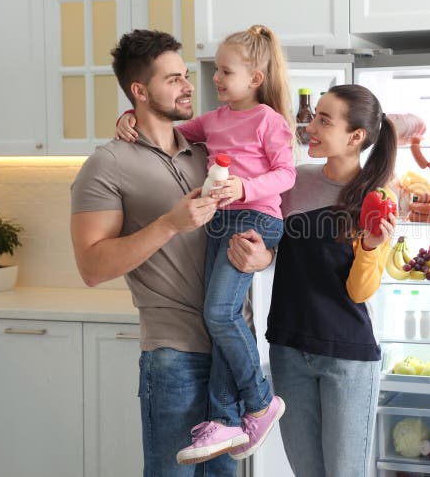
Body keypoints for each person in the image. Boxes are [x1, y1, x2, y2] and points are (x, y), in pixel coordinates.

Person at [115, 24, 296, 465]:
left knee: (219, 313)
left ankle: (259, 400)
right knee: (218, 318)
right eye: (216, 68)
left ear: (255, 78)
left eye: (225, 71)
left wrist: (245, 188)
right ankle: (226, 419)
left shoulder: (269, 120)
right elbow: (168, 128)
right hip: (223, 222)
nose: (213, 78)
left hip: (254, 217)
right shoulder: (213, 121)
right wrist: (128, 118)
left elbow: (286, 175)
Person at [70, 29, 238, 476]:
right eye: (173, 79)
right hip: (173, 354)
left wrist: (264, 257)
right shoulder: (108, 163)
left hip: (230, 352)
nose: (188, 86)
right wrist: (168, 224)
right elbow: (90, 266)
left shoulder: (206, 152)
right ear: (140, 91)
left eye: (186, 76)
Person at [226, 84, 398, 477]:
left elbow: (359, 291)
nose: (310, 128)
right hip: (289, 349)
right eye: (313, 116)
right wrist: (261, 257)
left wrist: (372, 245)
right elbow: (279, 252)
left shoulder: (377, 198)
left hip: (346, 356)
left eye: (324, 120)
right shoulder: (293, 181)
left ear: (355, 137)